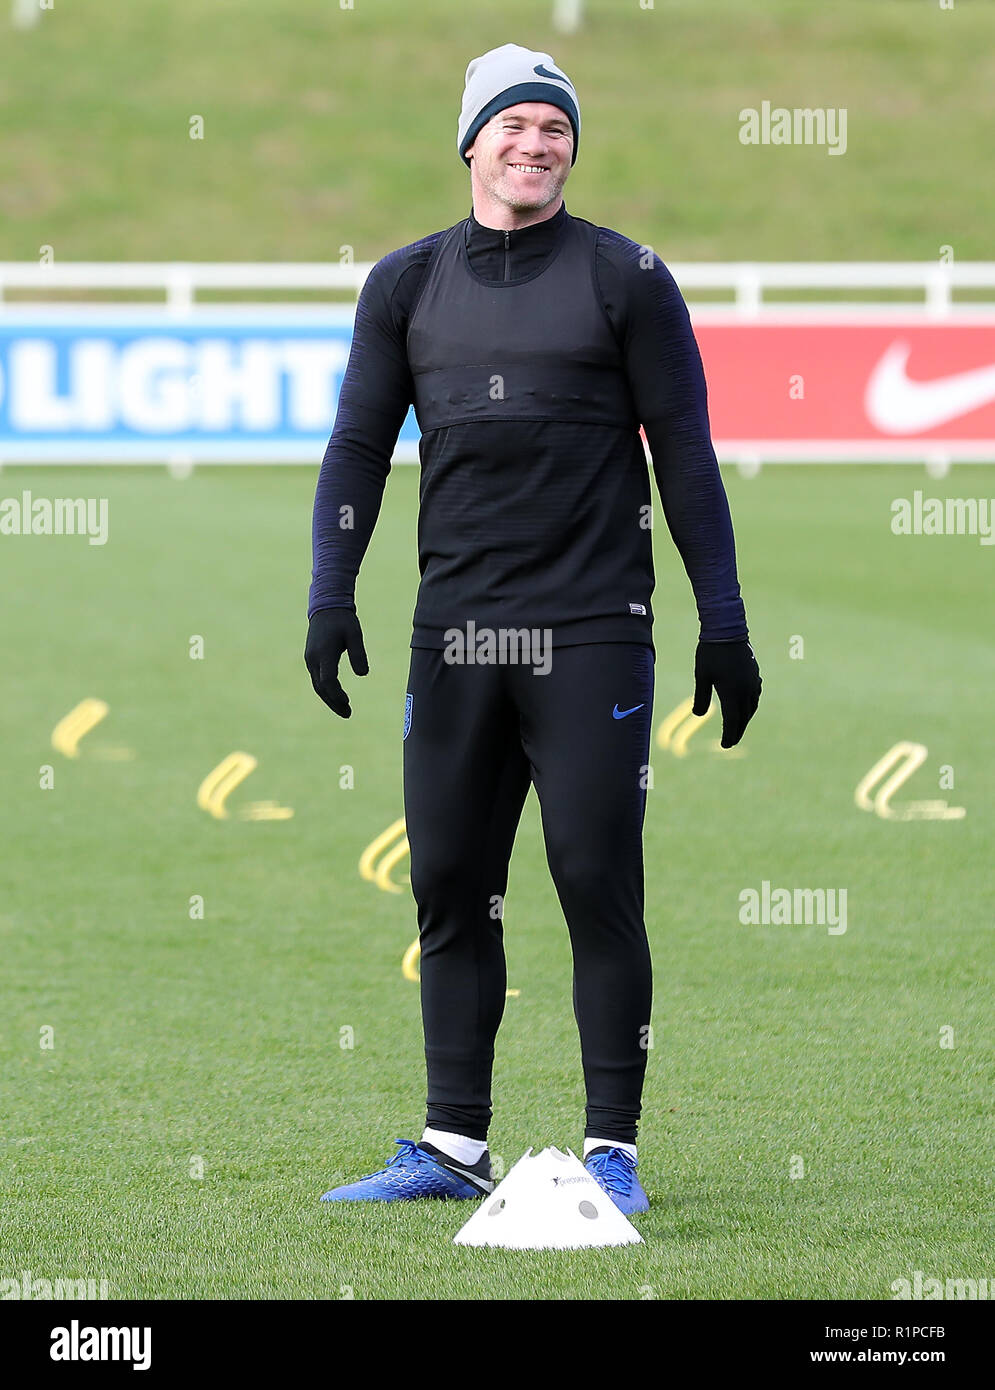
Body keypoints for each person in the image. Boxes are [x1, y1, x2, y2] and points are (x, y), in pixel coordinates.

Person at [305, 43, 761, 1214]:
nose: (534, 143)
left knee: (593, 876)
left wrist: (723, 623)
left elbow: (688, 459)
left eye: (553, 128)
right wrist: (330, 589)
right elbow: (358, 446)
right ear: (470, 142)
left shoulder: (626, 278)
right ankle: (451, 1145)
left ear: (570, 149)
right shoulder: (405, 286)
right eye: (511, 124)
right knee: (451, 883)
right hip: (455, 636)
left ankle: (612, 1148)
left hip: (590, 633)